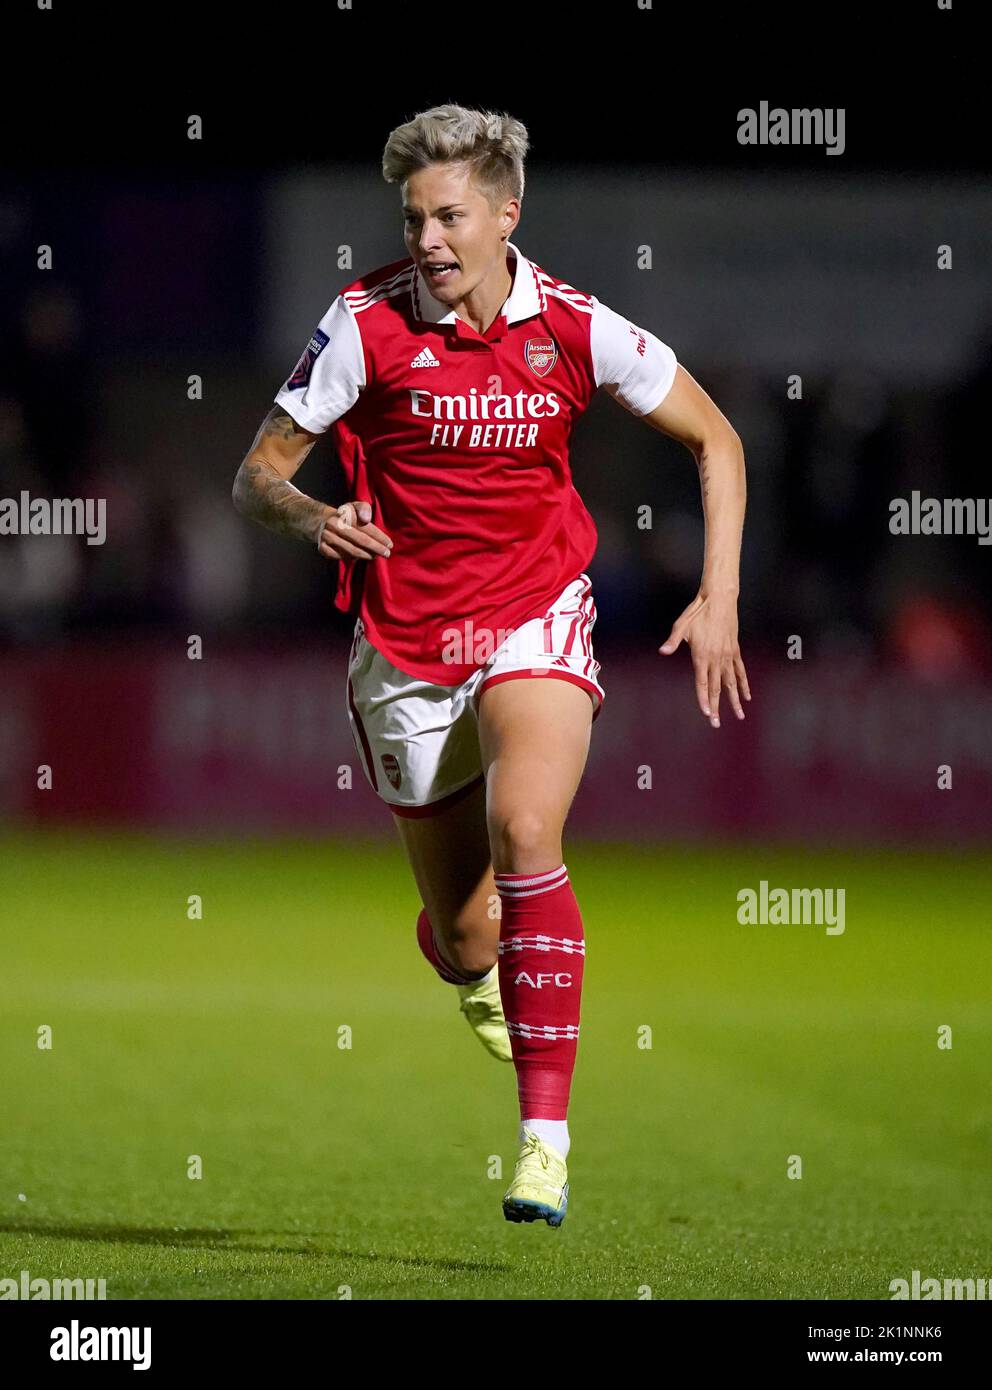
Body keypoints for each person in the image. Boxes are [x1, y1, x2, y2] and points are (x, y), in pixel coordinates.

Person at [233, 104, 750, 1227]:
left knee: (528, 831)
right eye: (413, 216)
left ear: (505, 215)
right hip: (404, 644)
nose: (426, 239)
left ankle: (542, 1144)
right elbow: (255, 479)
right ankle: (462, 952)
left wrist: (718, 596)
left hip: (534, 613)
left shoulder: (569, 324)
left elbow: (717, 438)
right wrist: (311, 518)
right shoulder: (361, 323)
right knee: (466, 933)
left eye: (448, 215)